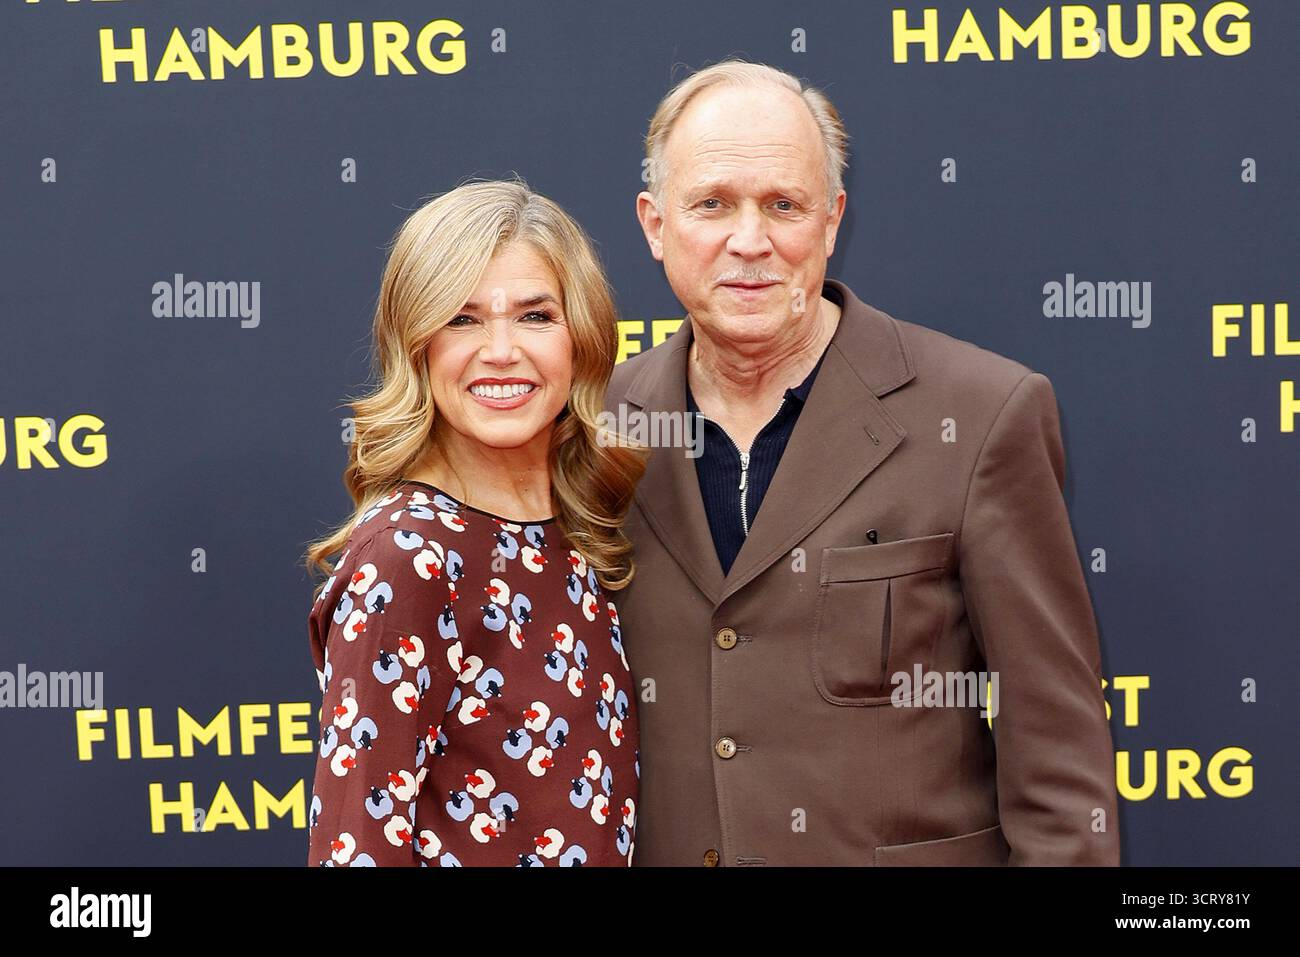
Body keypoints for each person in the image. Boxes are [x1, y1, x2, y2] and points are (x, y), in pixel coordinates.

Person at [603, 60, 1121, 865]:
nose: (750, 241)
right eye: (712, 204)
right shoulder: (596, 431)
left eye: (784, 205)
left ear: (833, 218)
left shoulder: (981, 415)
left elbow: (1057, 758)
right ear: (655, 224)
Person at [303, 178, 647, 866]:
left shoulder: (576, 525)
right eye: (461, 319)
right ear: (416, 346)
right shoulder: (406, 557)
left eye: (535, 315)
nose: (500, 349)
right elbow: (356, 847)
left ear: (581, 337)